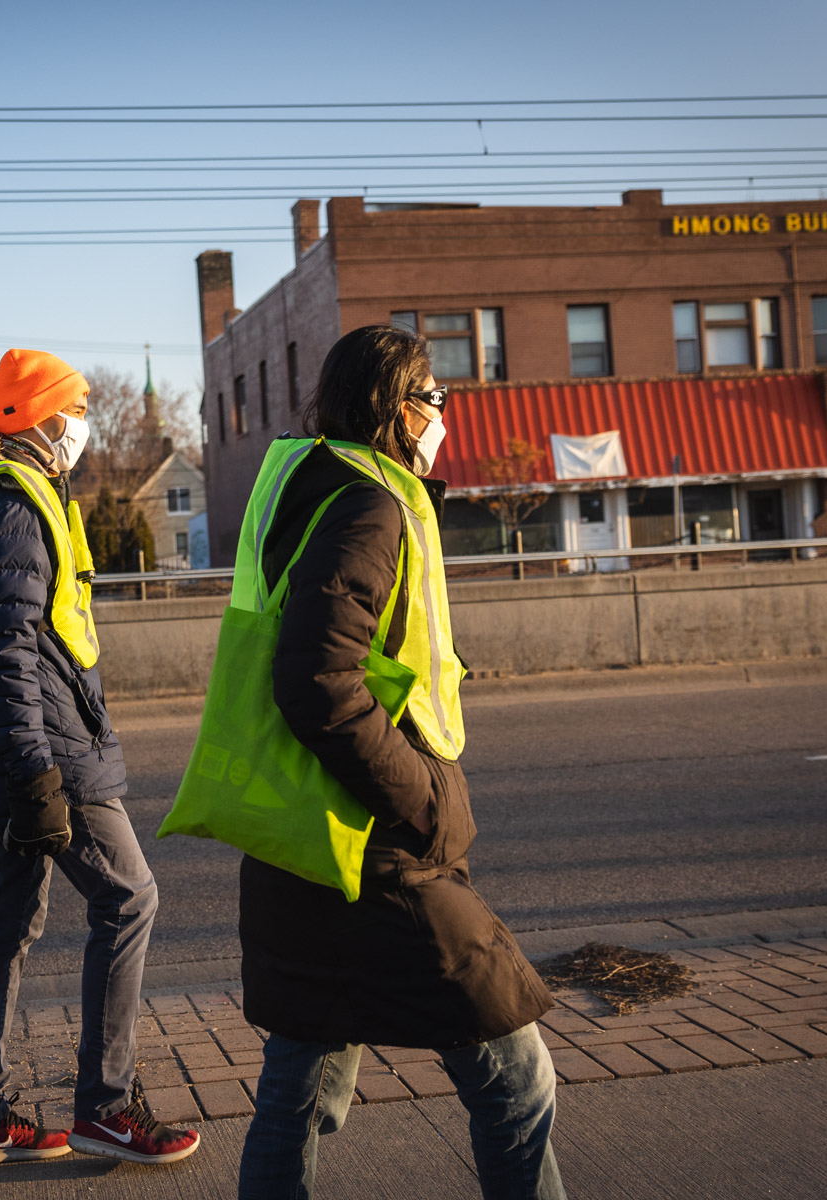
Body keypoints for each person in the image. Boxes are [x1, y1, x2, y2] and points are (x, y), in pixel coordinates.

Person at [233, 326, 564, 1200]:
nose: (442, 415)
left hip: (298, 834)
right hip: (378, 850)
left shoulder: (304, 488)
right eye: (434, 396)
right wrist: (420, 802)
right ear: (394, 406)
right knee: (518, 1080)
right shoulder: (370, 506)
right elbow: (317, 677)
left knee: (299, 1090)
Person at [0, 349, 200, 1170]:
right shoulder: (14, 504)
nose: (85, 424)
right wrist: (37, 772)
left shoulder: (5, 495)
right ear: (45, 420)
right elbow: (5, 646)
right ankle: (105, 1110)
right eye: (77, 410)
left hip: (13, 741)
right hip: (44, 747)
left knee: (7, 924)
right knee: (130, 901)